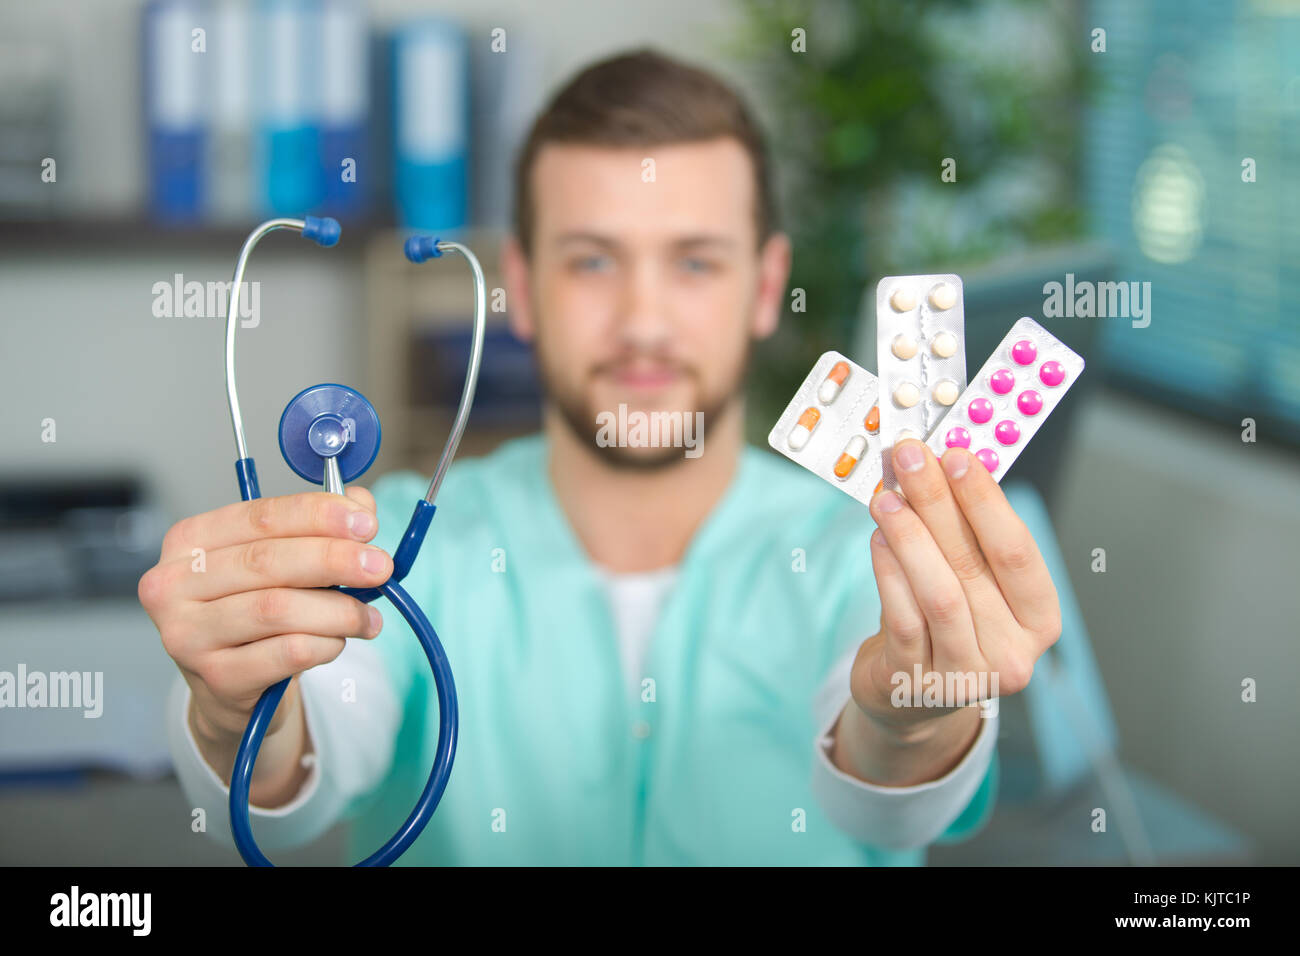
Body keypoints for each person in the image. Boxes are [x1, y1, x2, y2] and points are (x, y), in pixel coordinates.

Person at [139, 48, 1061, 865]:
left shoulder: (863, 548)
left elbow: (894, 806)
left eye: (695, 262)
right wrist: (238, 712)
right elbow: (300, 783)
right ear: (524, 292)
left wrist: (913, 714)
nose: (643, 324)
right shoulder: (397, 540)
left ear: (765, 286)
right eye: (592, 261)